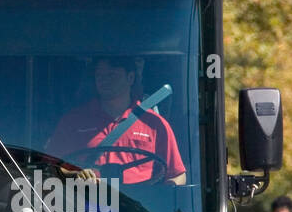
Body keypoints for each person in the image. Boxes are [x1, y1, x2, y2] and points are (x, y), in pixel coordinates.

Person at [45, 56, 186, 185]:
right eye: (99, 75)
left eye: (111, 75)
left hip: (141, 209)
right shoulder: (73, 121)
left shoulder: (155, 123)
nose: (104, 80)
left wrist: (165, 194)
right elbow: (50, 168)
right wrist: (76, 174)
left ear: (130, 78)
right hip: (85, 205)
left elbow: (177, 175)